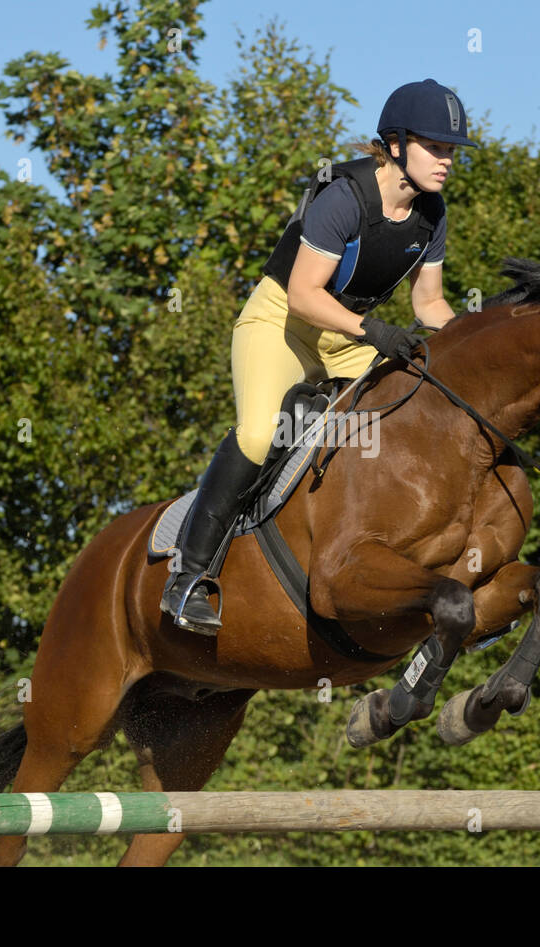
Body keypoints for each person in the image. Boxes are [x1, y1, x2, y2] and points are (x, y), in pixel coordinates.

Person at [161, 78, 478, 635]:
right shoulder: (345, 196)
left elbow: (428, 303)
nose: (447, 161)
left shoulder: (433, 215)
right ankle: (186, 578)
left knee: (408, 417)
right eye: (437, 147)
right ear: (397, 144)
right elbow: (306, 295)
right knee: (262, 434)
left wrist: (471, 349)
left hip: (351, 337)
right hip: (282, 322)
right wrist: (373, 329)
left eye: (452, 150)